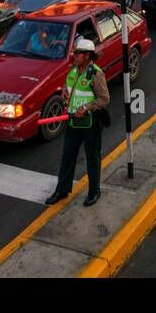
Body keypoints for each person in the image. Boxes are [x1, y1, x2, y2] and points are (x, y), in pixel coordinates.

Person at [44, 36, 110, 208]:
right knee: (67, 157)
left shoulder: (96, 74)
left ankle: (94, 191)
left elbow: (104, 99)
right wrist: (64, 91)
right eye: (74, 52)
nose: (74, 55)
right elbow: (68, 86)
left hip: (91, 123)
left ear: (87, 55)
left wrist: (87, 108)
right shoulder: (73, 70)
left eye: (78, 53)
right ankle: (62, 190)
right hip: (73, 122)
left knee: (92, 158)